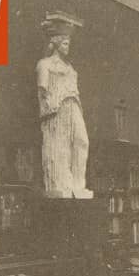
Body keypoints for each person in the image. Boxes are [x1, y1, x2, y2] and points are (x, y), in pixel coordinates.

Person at [36, 12, 92, 199]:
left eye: (69, 43)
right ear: (57, 43)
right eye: (66, 43)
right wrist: (51, 106)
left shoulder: (71, 68)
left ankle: (78, 185)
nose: (68, 47)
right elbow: (43, 90)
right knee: (59, 146)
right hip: (56, 110)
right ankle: (60, 184)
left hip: (73, 105)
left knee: (81, 141)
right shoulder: (44, 64)